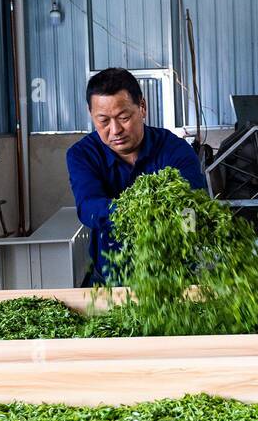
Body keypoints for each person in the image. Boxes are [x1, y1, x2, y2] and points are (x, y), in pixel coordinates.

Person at [66, 68, 207, 283]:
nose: (115, 130)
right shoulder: (82, 155)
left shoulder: (174, 150)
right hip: (111, 279)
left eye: (124, 117)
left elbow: (192, 201)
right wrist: (140, 212)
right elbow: (89, 207)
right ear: (91, 114)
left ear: (142, 107)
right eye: (103, 121)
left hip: (175, 279)